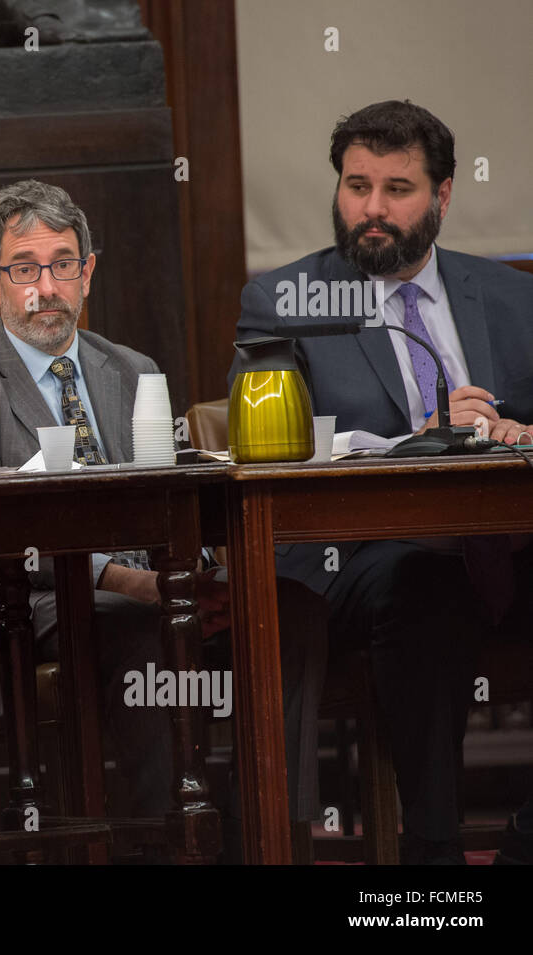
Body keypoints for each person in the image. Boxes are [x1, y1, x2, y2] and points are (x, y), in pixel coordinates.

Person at [0, 179, 329, 836]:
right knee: (145, 635)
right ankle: (173, 843)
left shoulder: (131, 368)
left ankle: (271, 835)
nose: (46, 288)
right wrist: (134, 583)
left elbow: (168, 492)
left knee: (287, 610)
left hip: (148, 591)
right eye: (25, 268)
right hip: (15, 608)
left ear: (88, 273)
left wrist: (198, 575)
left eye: (64, 265)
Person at [232, 100, 533, 864]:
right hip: (352, 560)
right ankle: (432, 854)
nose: (371, 208)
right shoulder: (283, 301)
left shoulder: (509, 296)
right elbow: (267, 450)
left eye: (396, 189)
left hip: (499, 547)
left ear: (443, 194)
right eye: (355, 185)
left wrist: (519, 434)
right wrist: (428, 435)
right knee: (423, 580)